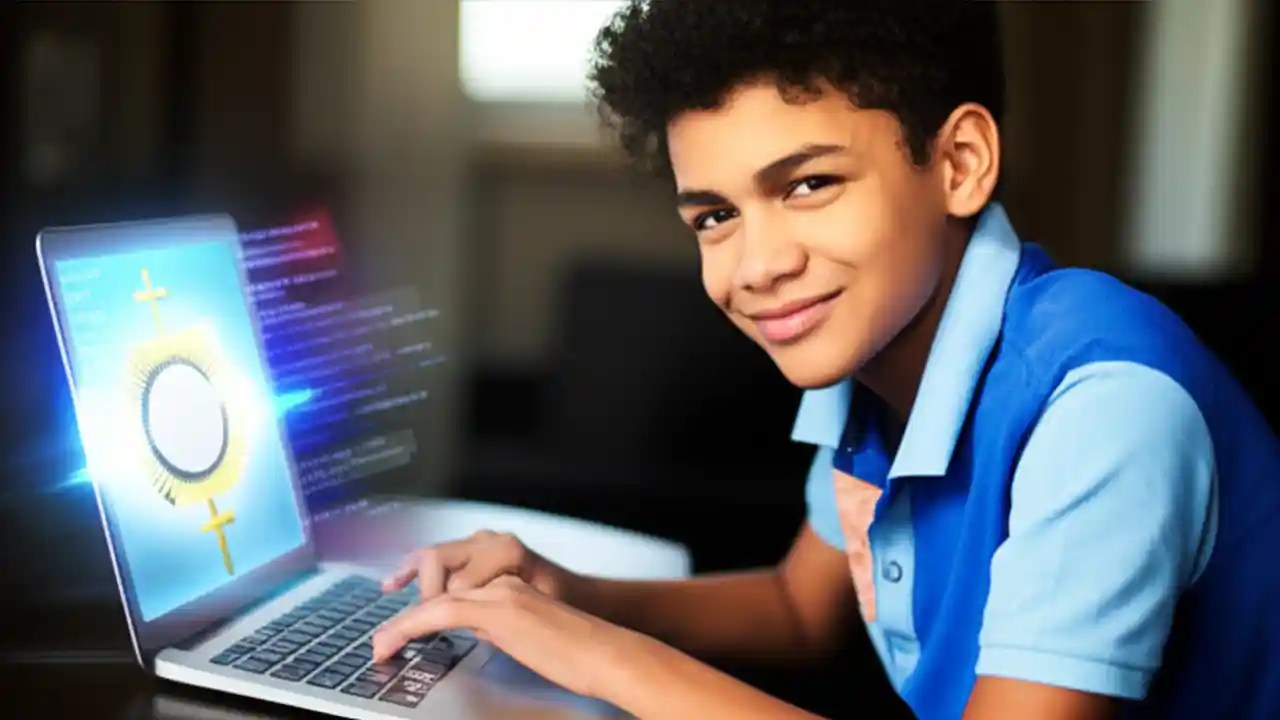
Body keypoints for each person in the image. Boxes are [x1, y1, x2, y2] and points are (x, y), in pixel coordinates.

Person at [372, 1, 1280, 718]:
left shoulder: (1102, 406)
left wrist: (604, 659)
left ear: (960, 162)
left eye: (808, 184)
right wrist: (567, 596)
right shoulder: (880, 355)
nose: (757, 268)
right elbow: (800, 609)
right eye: (714, 216)